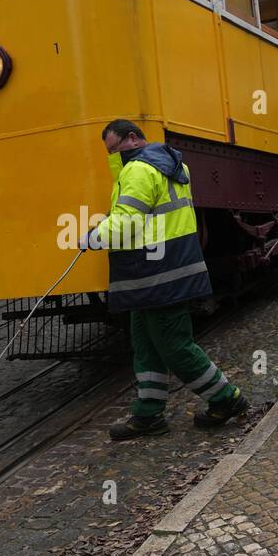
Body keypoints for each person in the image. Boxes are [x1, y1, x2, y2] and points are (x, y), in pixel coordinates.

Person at [80, 120, 248, 439]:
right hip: (160, 269)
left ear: (132, 138)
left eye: (114, 149)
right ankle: (148, 414)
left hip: (159, 274)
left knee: (174, 347)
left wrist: (92, 237)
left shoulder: (139, 170)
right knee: (146, 345)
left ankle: (228, 400)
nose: (113, 157)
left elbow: (127, 223)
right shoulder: (171, 164)